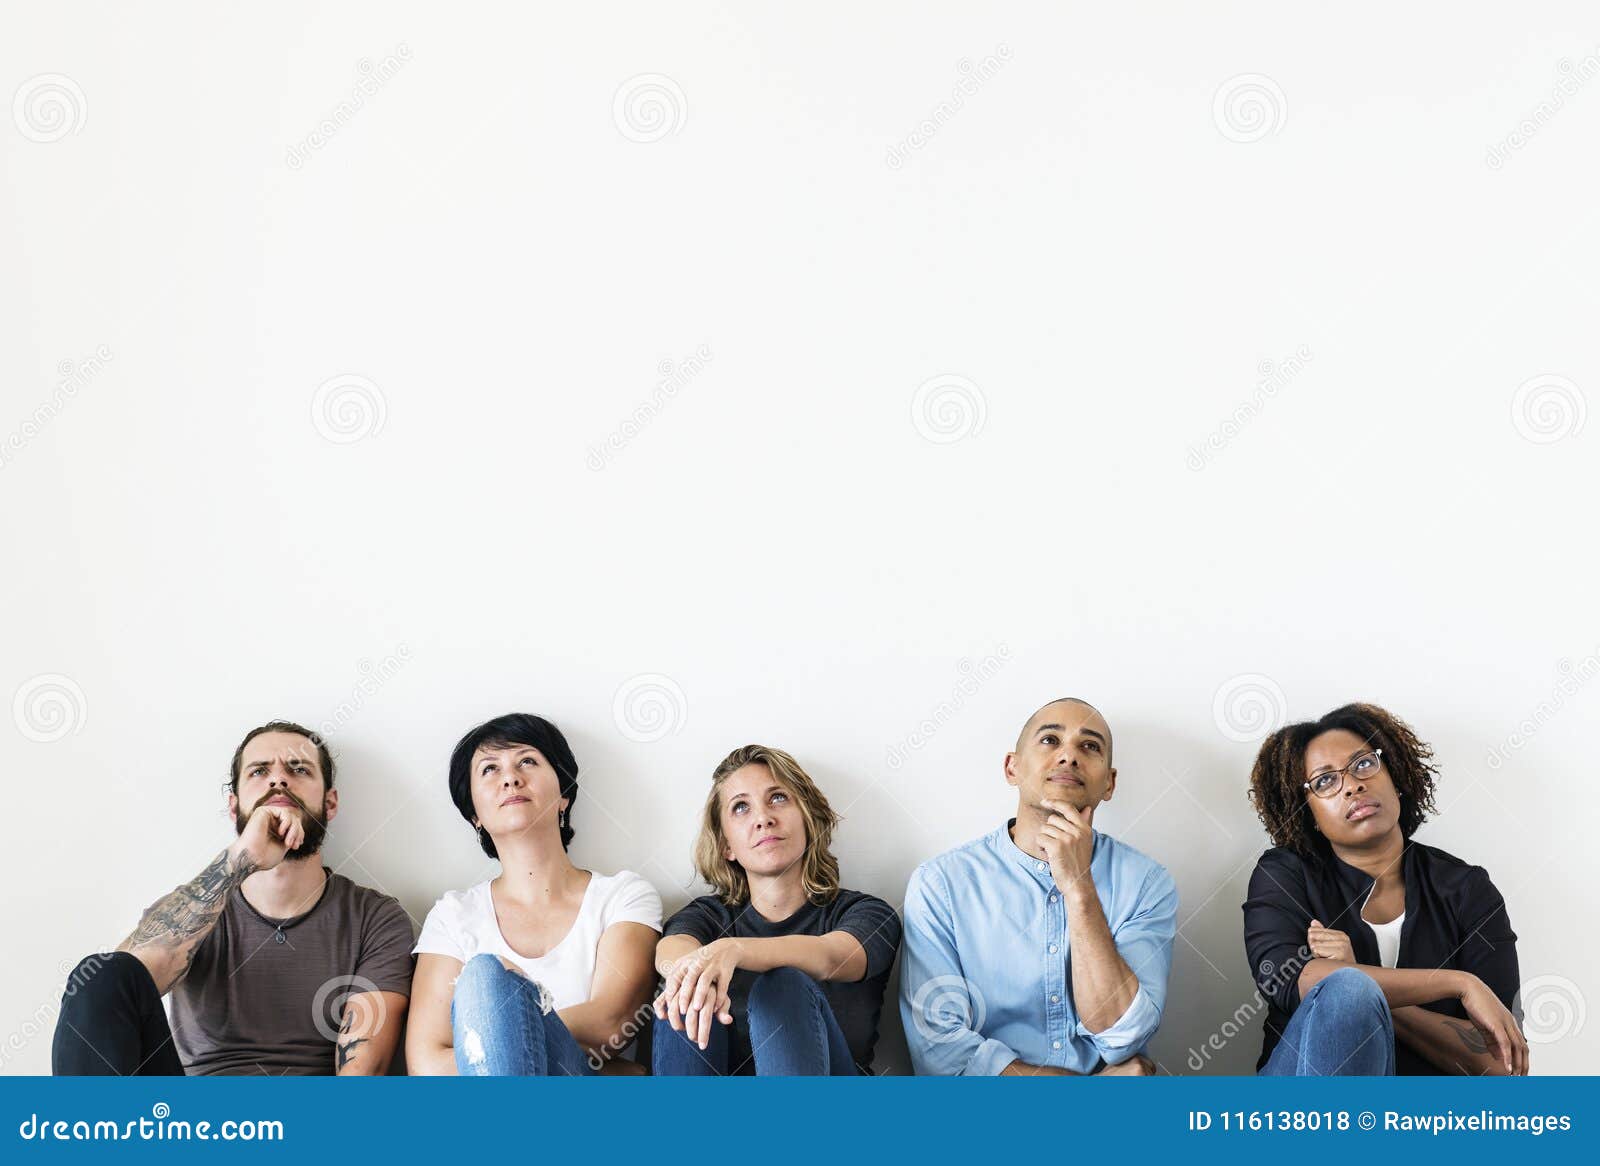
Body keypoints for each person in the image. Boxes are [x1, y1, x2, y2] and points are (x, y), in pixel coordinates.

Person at [52, 721, 415, 1075]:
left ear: (330, 803)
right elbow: (116, 990)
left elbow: (359, 1077)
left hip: (314, 1112)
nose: (278, 780)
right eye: (259, 771)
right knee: (100, 974)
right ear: (234, 806)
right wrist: (241, 858)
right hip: (190, 1113)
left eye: (299, 769)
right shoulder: (192, 909)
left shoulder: (375, 918)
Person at [1243, 702, 1528, 1075]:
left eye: (1364, 763)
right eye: (1325, 781)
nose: (1353, 785)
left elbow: (1500, 1062)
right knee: (1347, 991)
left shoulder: (1466, 889)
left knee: (1349, 986)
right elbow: (1284, 980)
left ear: (1395, 776)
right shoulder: (1284, 874)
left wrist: (1358, 975)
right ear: (1307, 811)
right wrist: (1458, 983)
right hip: (1299, 1098)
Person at [900, 697, 1177, 1076]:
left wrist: (1079, 888)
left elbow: (1123, 1037)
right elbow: (941, 1057)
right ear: (1012, 767)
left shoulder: (1146, 882)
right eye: (1050, 740)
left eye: (1089, 746)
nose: (1069, 756)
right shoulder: (940, 884)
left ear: (1109, 783)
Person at [407, 713, 661, 1075]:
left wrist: (496, 1029)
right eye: (490, 769)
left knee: (487, 979)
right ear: (475, 814)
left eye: (527, 761)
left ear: (564, 796)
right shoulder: (452, 916)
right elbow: (426, 1066)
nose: (510, 778)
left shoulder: (623, 897)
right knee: (485, 974)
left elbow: (610, 1024)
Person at [652, 744, 901, 1075]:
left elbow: (832, 957)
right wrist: (696, 972)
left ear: (807, 819)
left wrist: (733, 951)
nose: (763, 819)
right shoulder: (708, 917)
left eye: (778, 798)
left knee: (782, 987)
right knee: (685, 989)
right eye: (741, 807)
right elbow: (671, 951)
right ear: (726, 846)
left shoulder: (865, 913)